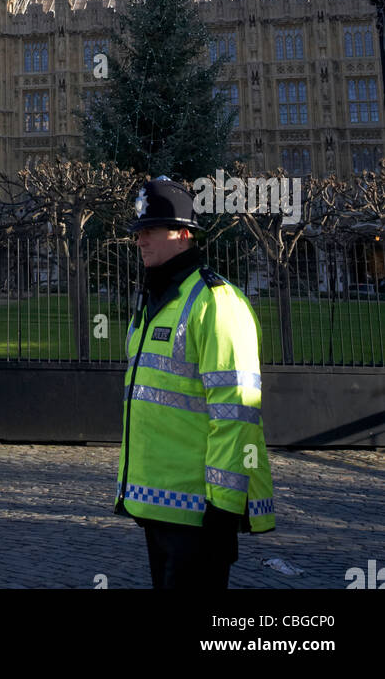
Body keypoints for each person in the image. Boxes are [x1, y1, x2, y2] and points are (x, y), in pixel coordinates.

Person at [115, 176, 275, 589]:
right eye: (138, 231)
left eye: (151, 230)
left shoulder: (216, 303)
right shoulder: (153, 301)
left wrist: (222, 511)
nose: (140, 240)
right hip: (158, 506)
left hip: (199, 513)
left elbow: (235, 412)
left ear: (183, 234)